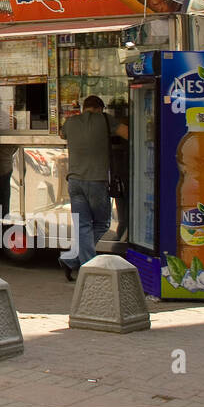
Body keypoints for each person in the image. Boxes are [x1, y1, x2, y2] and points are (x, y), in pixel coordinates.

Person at [59, 95, 129, 280]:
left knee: (83, 225)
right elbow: (129, 133)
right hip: (97, 181)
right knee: (102, 223)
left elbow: (61, 134)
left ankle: (72, 260)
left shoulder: (70, 121)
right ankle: (87, 268)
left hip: (74, 181)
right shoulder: (106, 119)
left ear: (83, 108)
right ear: (100, 108)